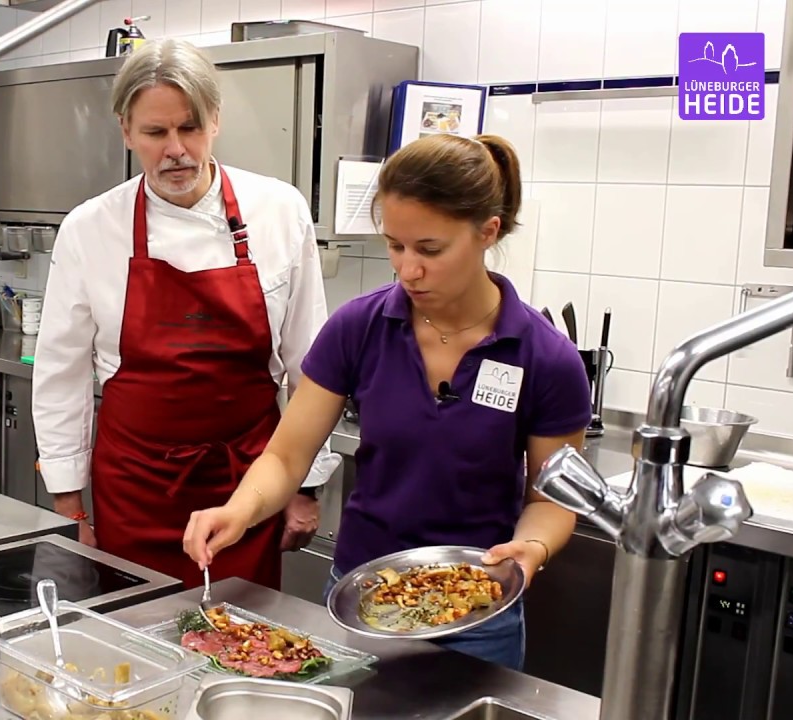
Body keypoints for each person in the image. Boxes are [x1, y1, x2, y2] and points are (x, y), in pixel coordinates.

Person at [182, 132, 592, 671]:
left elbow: (551, 500)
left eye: (430, 250)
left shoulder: (546, 357)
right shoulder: (359, 327)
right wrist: (239, 509)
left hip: (478, 615)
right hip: (362, 601)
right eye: (395, 246)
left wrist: (531, 549)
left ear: (487, 232)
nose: (407, 269)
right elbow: (286, 456)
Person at [31, 38, 341, 592]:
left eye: (190, 128)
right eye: (155, 133)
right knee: (130, 624)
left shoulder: (280, 211)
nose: (176, 150)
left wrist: (306, 484)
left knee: (242, 627)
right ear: (126, 132)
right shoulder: (90, 228)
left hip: (247, 482)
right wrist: (68, 504)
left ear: (215, 120)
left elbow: (309, 362)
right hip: (135, 486)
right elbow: (61, 373)